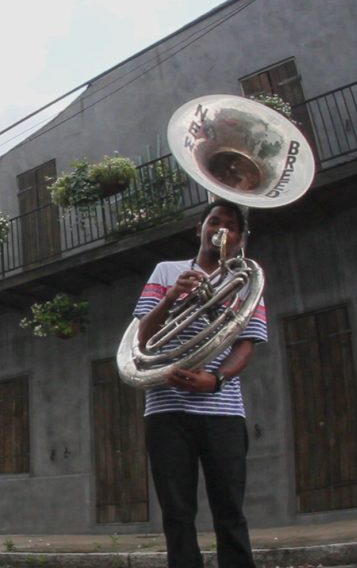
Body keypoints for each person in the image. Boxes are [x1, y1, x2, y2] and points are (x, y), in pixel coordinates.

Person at [131, 199, 267, 568]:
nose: (220, 229)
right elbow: (141, 337)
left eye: (231, 226)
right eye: (213, 221)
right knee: (176, 514)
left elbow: (246, 343)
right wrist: (173, 296)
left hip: (222, 409)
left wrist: (216, 378)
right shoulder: (166, 271)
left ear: (239, 239)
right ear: (199, 229)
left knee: (230, 512)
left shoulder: (246, 281)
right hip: (165, 409)